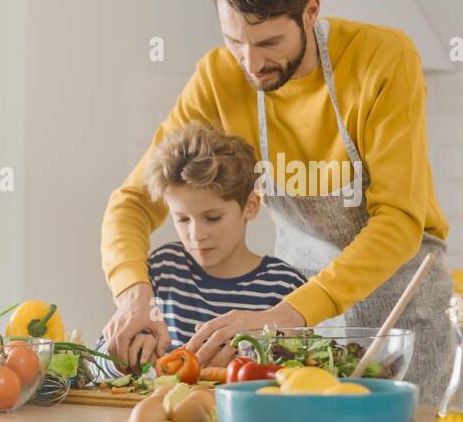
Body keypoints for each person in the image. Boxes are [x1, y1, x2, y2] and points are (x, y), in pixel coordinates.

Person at [101, 0, 454, 401]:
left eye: (269, 42)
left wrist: (283, 316)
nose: (251, 63)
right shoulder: (218, 76)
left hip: (399, 311)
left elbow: (399, 221)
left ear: (311, 12)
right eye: (235, 42)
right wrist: (134, 295)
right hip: (294, 307)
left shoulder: (383, 60)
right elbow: (133, 202)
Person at [92, 121, 305, 375]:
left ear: (250, 205)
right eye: (182, 219)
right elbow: (98, 364)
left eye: (213, 218)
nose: (196, 234)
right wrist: (125, 358)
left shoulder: (284, 286)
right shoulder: (163, 270)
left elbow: (301, 373)